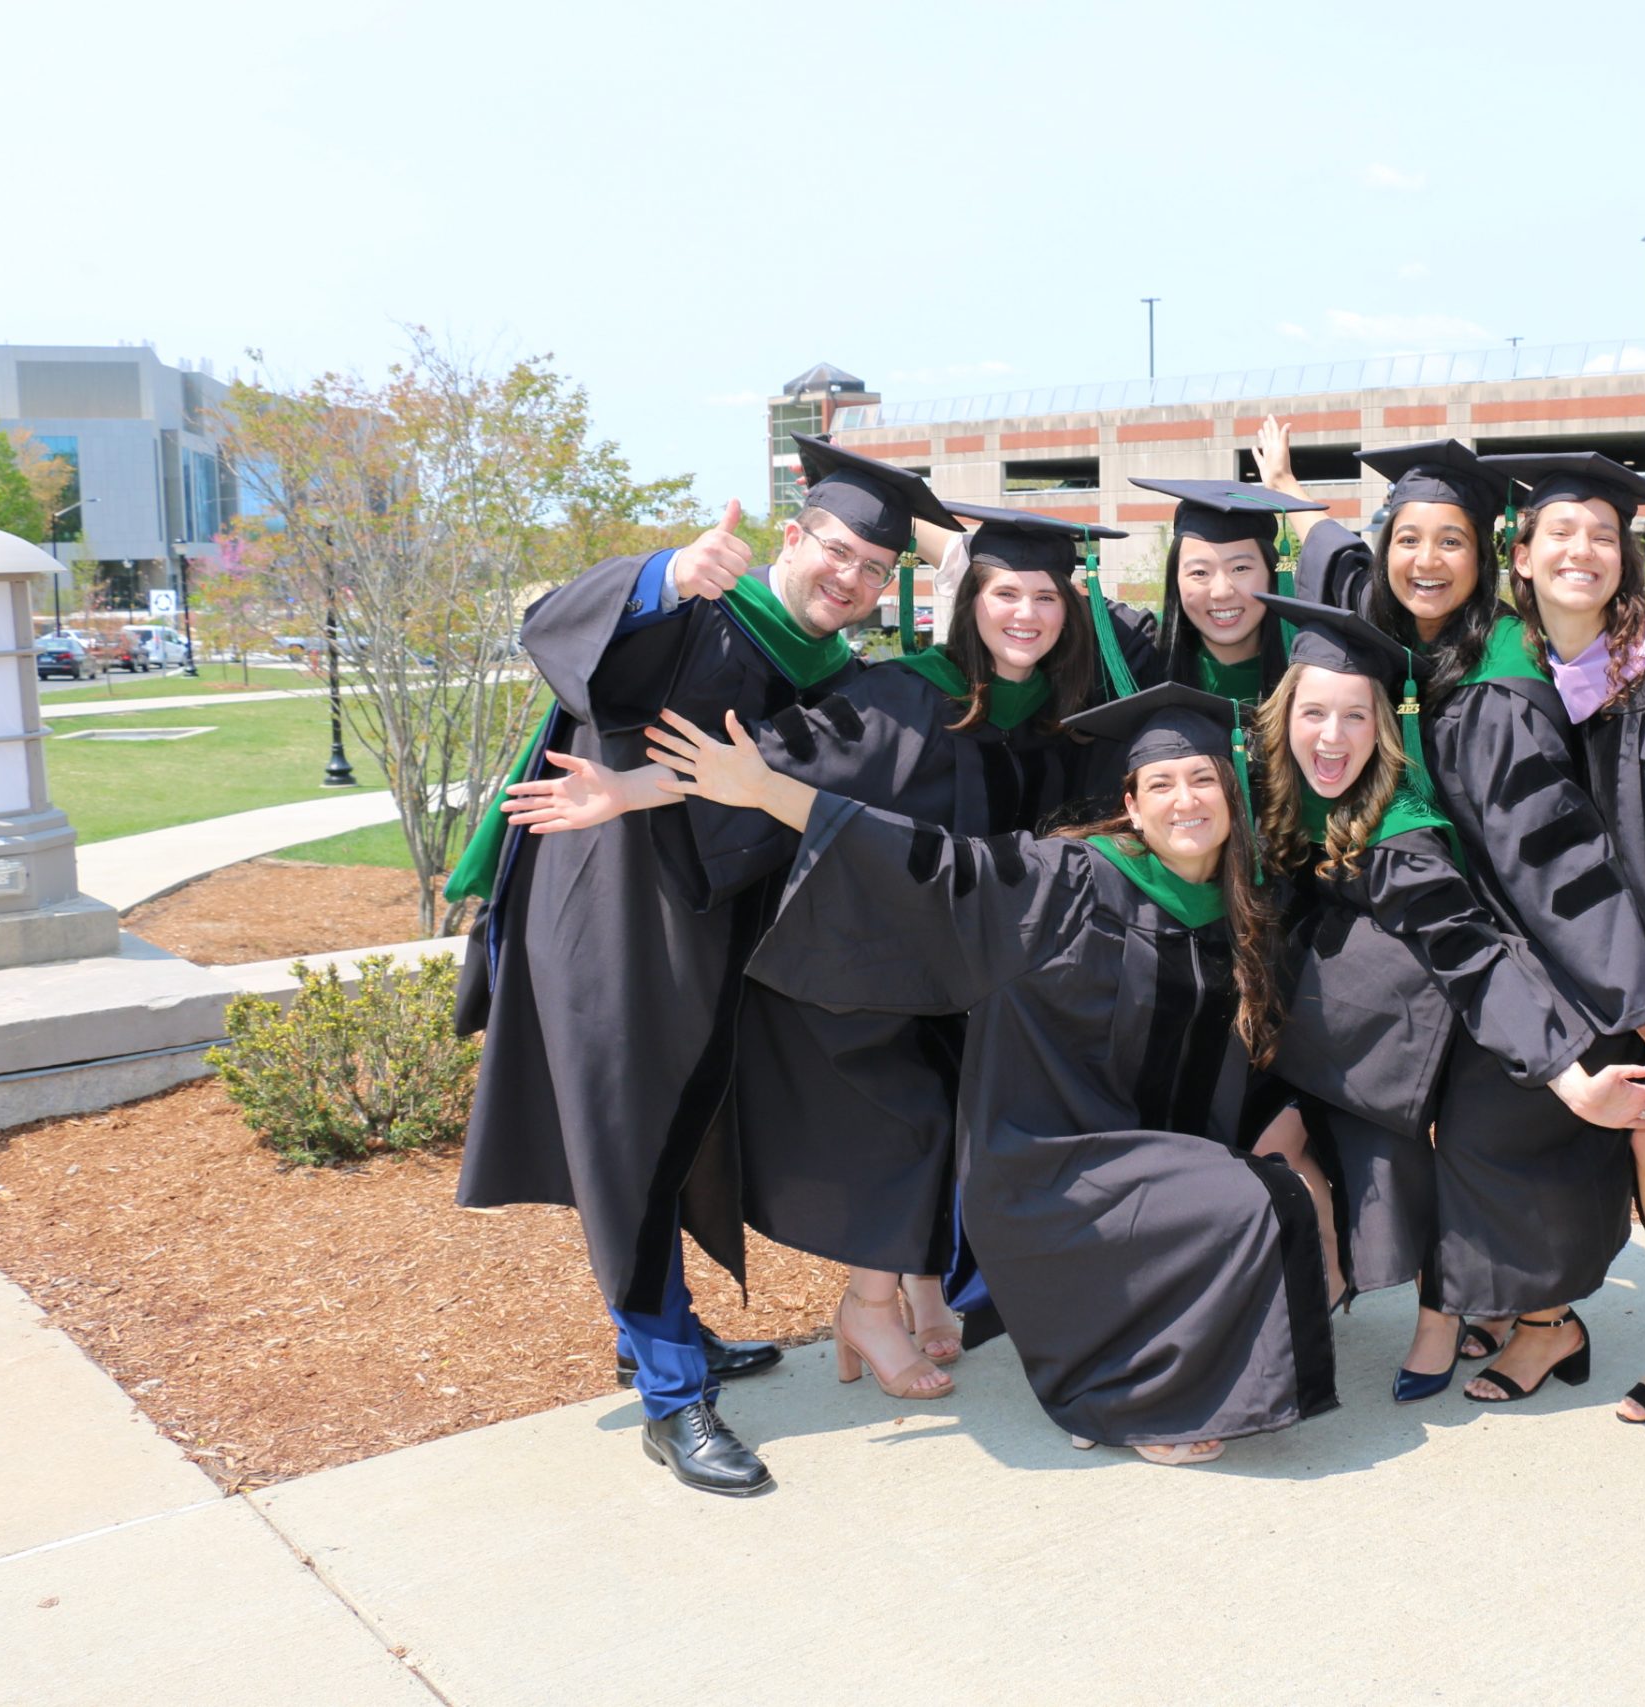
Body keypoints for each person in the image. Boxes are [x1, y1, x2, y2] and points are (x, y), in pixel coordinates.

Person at [645, 681, 1339, 1465]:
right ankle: (1127, 1402)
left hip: (1156, 1158)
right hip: (1044, 1166)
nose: (1185, 800)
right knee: (1248, 1196)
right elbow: (931, 864)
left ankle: (1153, 1372)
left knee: (1277, 1187)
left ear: (1232, 793)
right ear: (1132, 805)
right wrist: (769, 790)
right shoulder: (1066, 878)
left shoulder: (1243, 905)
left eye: (1203, 779)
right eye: (1161, 784)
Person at [505, 503, 1106, 1407]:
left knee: (961, 1106)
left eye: (1046, 596)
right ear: (969, 601)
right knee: (906, 1112)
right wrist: (626, 787)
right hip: (881, 956)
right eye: (1004, 592)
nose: (1026, 612)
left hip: (986, 957)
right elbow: (778, 762)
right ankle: (850, 1312)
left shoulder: (1071, 713)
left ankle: (919, 1294)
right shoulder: (909, 692)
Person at [455, 437, 959, 1497]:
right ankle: (672, 1397)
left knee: (675, 1134)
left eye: (875, 568)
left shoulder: (838, 678)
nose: (851, 578)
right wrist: (664, 575)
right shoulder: (699, 609)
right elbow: (560, 631)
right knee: (629, 1136)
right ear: (793, 535)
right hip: (610, 915)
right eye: (838, 550)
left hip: (714, 927)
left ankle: (660, 1330)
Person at [1263, 433, 1645, 1406]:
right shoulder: (1386, 622)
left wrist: (1632, 998)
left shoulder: (1500, 675)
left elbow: (1548, 850)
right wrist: (1285, 489)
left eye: (1451, 541)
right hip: (1423, 926)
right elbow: (1336, 554)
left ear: (1488, 554)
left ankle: (1530, 1318)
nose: (1426, 561)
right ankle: (1478, 1305)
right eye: (1408, 538)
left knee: (1496, 1133)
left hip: (1513, 931)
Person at [1482, 450, 1645, 1426]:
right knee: (1617, 1132)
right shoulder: (1513, 680)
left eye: (1603, 535)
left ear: (1629, 559)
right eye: (1560, 531)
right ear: (1520, 555)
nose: (1582, 549)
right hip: (1578, 959)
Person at [1126, 477, 1327, 701]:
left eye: (1240, 568)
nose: (1221, 592)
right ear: (1176, 581)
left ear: (1273, 573)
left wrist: (1285, 481)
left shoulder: (1316, 663)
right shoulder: (1141, 650)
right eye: (1199, 572)